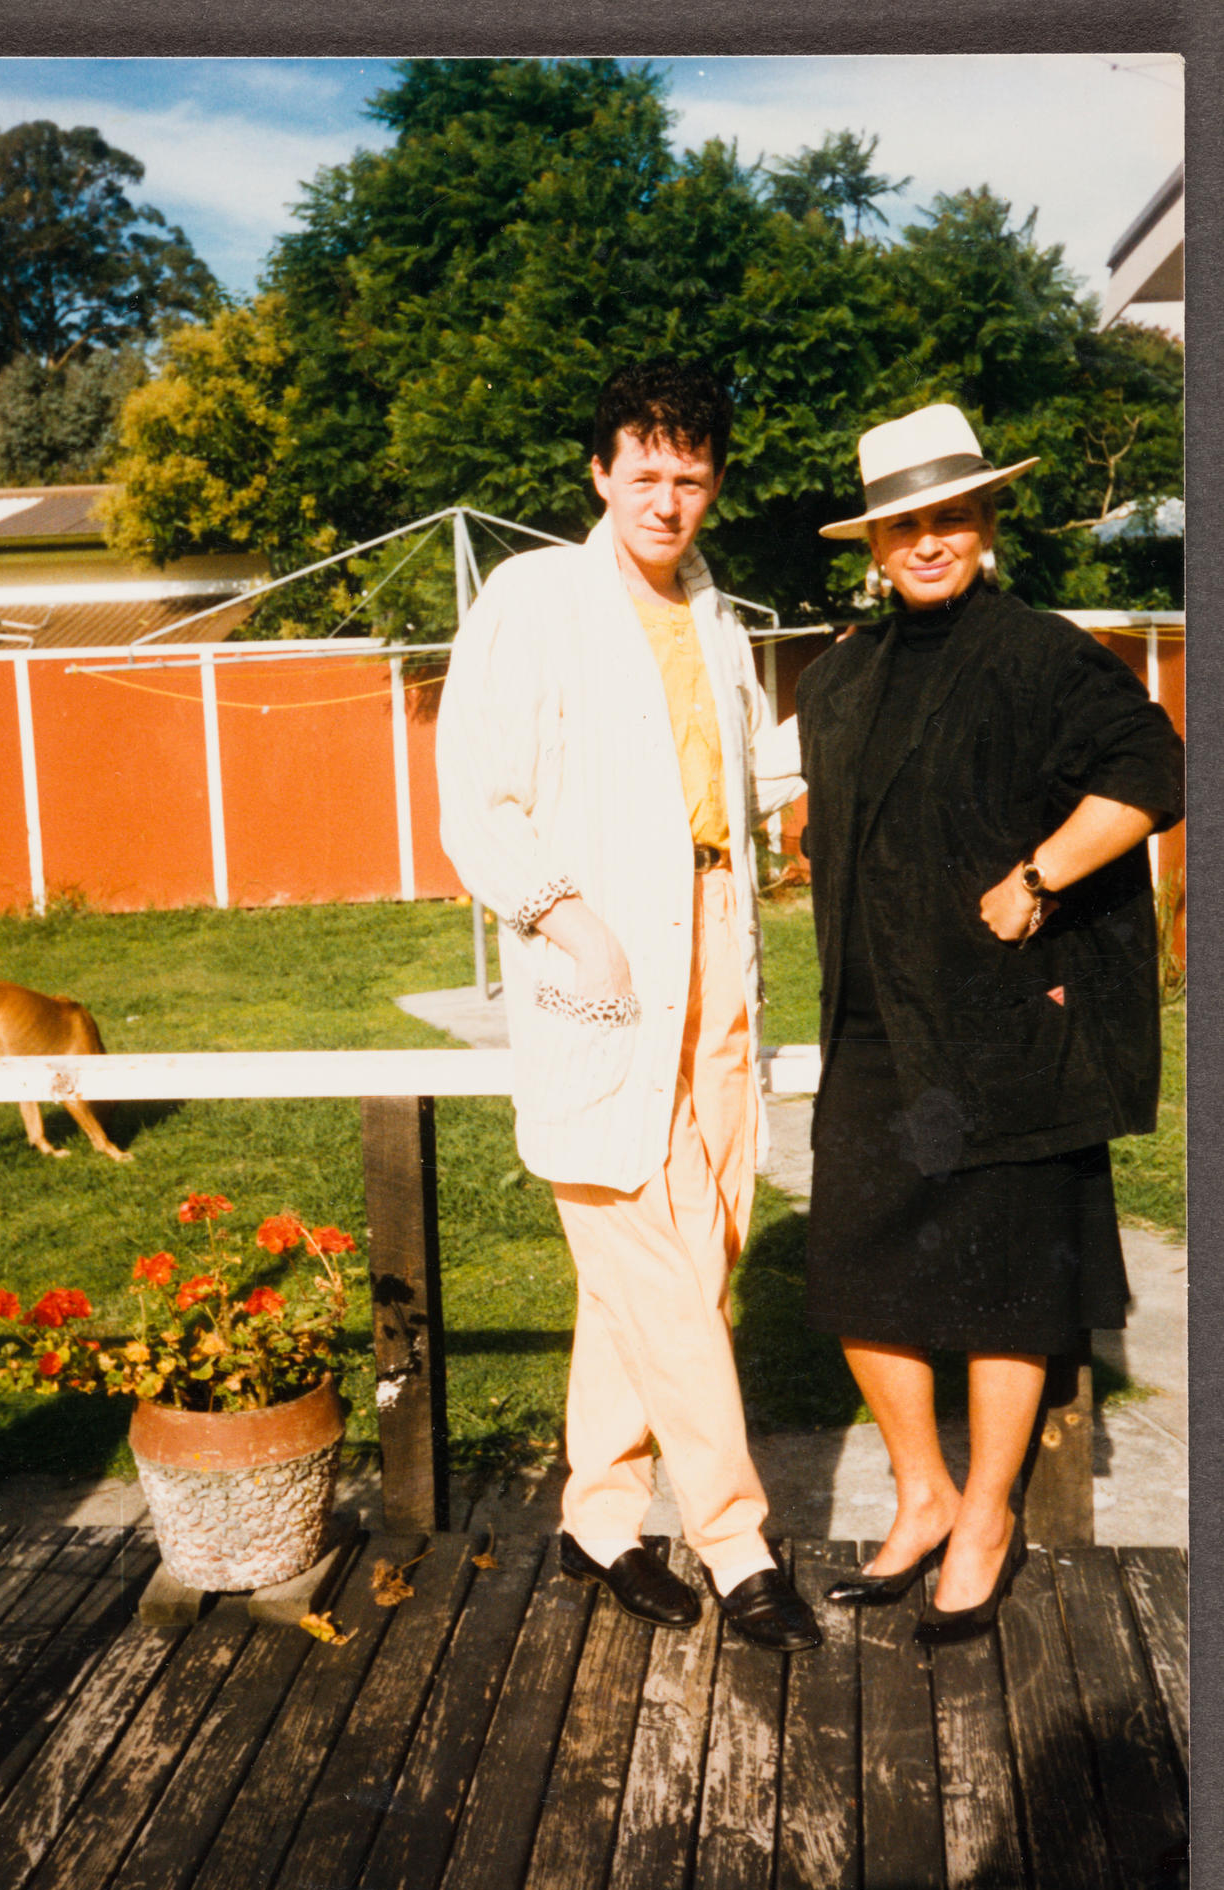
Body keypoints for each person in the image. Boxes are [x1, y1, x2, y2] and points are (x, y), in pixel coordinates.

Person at [437, 359, 819, 1651]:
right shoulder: (534, 597)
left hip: (718, 949)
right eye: (644, 472)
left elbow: (744, 779)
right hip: (601, 954)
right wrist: (570, 924)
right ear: (598, 472)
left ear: (714, 485)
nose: (667, 499)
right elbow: (475, 796)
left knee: (689, 1252)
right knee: (650, 1253)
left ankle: (596, 1521)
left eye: (690, 477)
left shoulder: (715, 616)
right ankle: (735, 1538)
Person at [797, 403, 1184, 1640]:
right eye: (905, 522)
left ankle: (984, 1516)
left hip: (1003, 1017)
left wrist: (1036, 877)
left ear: (985, 521)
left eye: (951, 515)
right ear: (874, 542)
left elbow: (1154, 770)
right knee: (860, 1266)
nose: (929, 540)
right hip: (873, 1020)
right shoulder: (838, 675)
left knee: (1007, 1275)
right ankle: (920, 1492)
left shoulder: (1038, 654)